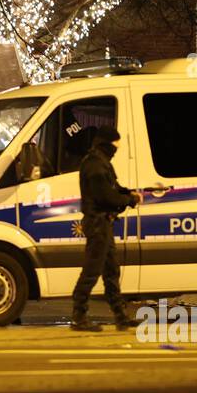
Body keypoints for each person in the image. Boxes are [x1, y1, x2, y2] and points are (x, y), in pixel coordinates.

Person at [72, 125, 141, 332]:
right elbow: (106, 196)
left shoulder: (101, 162)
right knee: (92, 271)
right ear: (106, 144)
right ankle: (79, 316)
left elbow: (114, 187)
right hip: (97, 224)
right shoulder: (95, 165)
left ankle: (120, 316)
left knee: (111, 271)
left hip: (104, 223)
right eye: (115, 145)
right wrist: (129, 199)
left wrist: (129, 193)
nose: (116, 149)